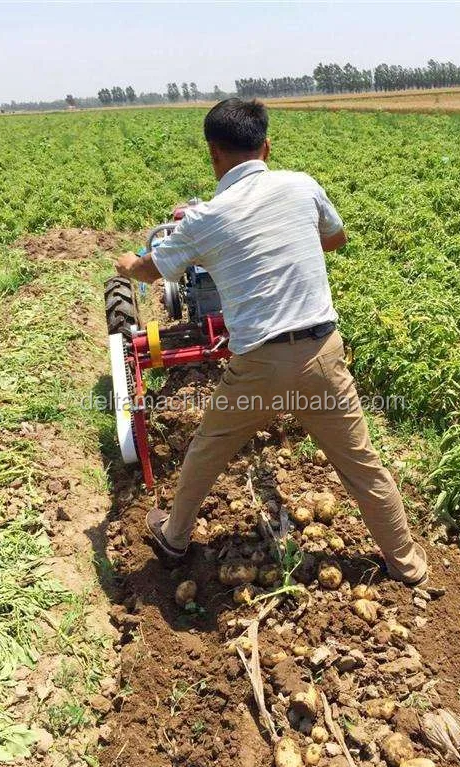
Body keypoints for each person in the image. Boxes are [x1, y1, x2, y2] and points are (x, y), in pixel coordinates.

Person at [115, 98, 428, 586]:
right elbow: (335, 238)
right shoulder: (302, 186)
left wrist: (127, 266)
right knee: (363, 466)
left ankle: (174, 539)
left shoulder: (204, 219)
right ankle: (407, 564)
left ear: (213, 154)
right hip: (322, 354)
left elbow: (152, 268)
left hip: (258, 364)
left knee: (207, 450)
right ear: (266, 146)